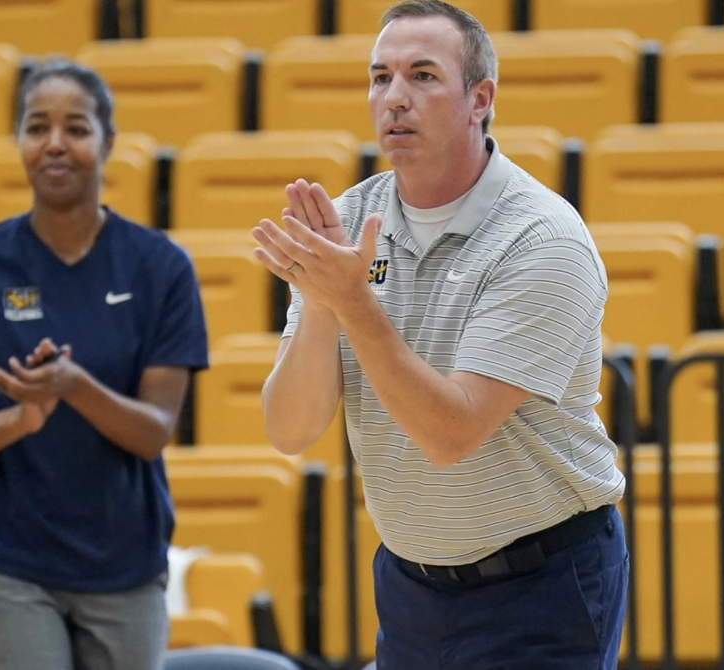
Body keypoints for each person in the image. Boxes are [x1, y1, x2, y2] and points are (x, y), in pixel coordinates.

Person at [252, 2, 628, 668]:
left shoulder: (542, 239)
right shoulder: (348, 220)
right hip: (410, 583)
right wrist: (316, 303)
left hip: (541, 581)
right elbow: (289, 429)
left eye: (423, 76)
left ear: (479, 98)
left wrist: (351, 301)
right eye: (380, 78)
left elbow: (450, 434)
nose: (394, 98)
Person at [0, 59, 208, 670]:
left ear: (107, 143)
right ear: (19, 142)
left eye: (75, 128)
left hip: (124, 560)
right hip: (6, 561)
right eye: (36, 126)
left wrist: (73, 386)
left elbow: (153, 432)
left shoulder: (160, 267)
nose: (54, 143)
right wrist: (20, 420)